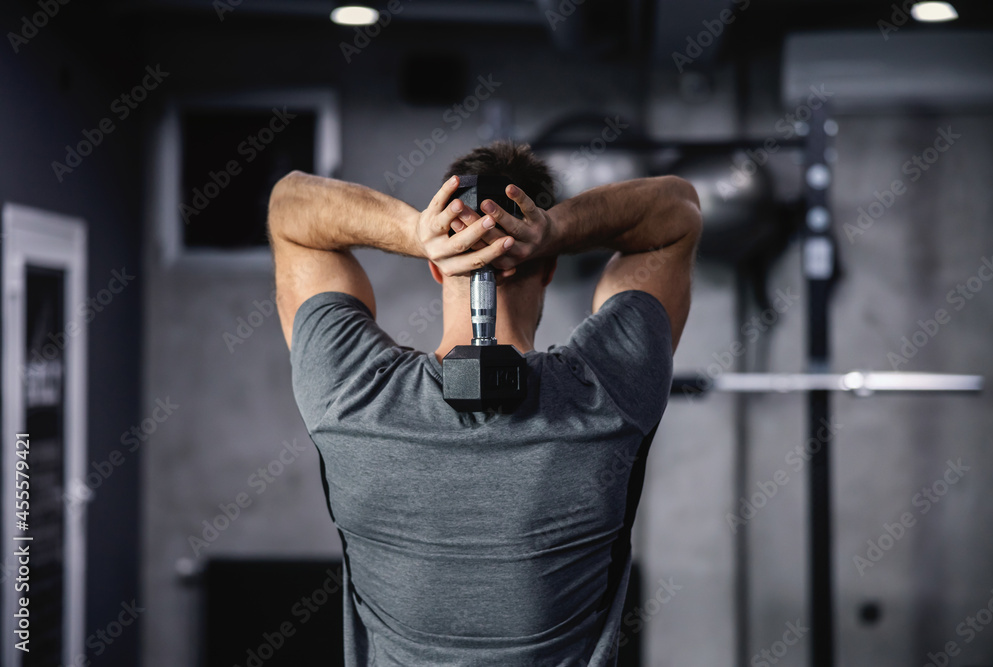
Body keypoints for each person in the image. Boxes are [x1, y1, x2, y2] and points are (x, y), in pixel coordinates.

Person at [267, 140, 701, 666]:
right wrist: (555, 230)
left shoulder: (351, 395)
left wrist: (416, 233)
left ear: (435, 268)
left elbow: (290, 207)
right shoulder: (605, 396)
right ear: (548, 268)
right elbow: (676, 212)